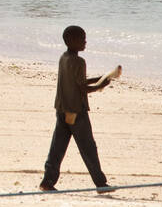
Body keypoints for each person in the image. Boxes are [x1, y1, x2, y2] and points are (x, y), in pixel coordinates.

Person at [39, 25, 115, 193]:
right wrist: (100, 85)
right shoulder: (79, 61)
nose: (85, 41)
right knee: (88, 148)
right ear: (70, 41)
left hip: (62, 109)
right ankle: (101, 184)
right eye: (82, 38)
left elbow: (77, 81)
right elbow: (82, 88)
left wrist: (100, 78)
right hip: (76, 111)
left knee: (57, 148)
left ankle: (47, 182)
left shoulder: (64, 57)